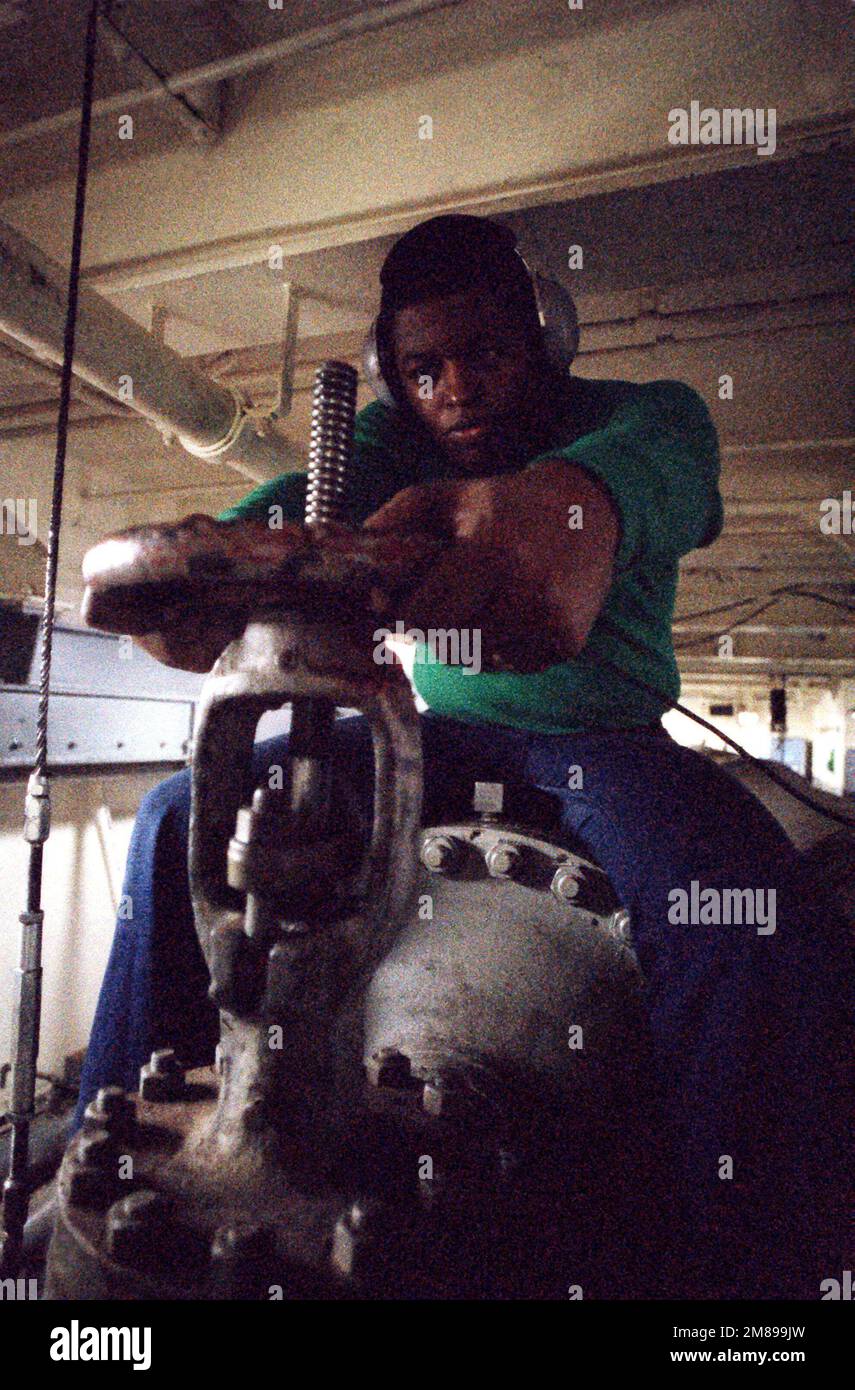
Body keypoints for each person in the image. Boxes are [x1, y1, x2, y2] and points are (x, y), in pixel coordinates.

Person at [75, 215, 846, 1299]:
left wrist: (557, 517)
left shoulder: (645, 420)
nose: (458, 392)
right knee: (172, 819)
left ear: (540, 341)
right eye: (425, 368)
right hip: (436, 734)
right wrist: (197, 576)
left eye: (484, 354)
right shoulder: (393, 449)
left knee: (744, 908)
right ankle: (106, 1153)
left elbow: (611, 493)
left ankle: (748, 1275)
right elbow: (279, 519)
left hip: (599, 744)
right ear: (395, 375)